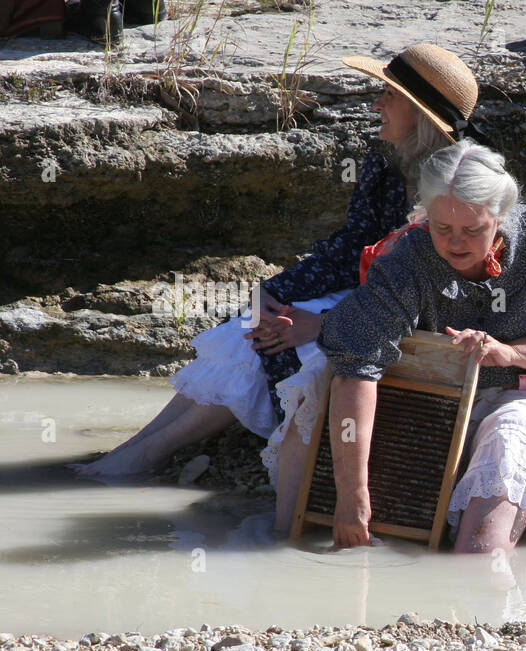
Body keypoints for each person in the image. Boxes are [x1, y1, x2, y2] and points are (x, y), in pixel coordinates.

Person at [74, 43, 479, 480]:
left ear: (419, 113)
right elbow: (350, 249)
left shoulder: (461, 184)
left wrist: (325, 324)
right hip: (366, 294)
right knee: (251, 322)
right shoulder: (384, 162)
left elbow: (438, 291)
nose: (376, 103)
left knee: (263, 341)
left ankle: (147, 456)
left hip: (401, 318)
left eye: (389, 96)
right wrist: (272, 290)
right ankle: (134, 448)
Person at [311, 139, 526, 552]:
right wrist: (351, 498)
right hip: (430, 405)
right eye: (442, 228)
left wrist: (513, 353)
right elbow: (357, 365)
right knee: (309, 390)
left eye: (472, 229)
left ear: (500, 215)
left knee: (510, 440)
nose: (455, 242)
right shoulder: (409, 259)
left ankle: (480, 587)